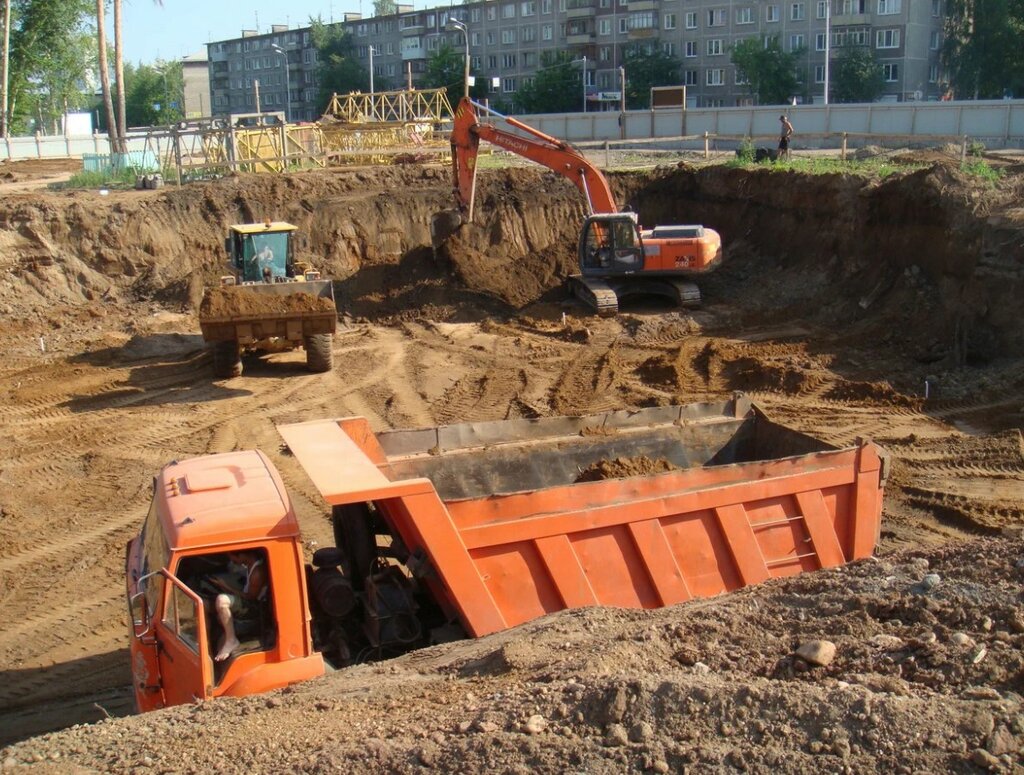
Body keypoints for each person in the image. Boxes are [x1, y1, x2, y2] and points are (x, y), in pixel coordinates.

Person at [210, 550, 268, 662]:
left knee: (222, 600)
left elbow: (250, 597)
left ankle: (231, 640)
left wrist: (226, 587)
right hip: (248, 600)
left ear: (241, 555)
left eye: (233, 558)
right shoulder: (249, 566)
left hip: (254, 608)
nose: (232, 561)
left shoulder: (257, 573)